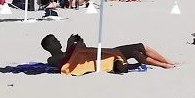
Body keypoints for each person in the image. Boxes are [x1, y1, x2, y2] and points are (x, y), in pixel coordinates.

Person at [42, 33, 176, 72]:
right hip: (103, 59)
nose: (58, 42)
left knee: (140, 46)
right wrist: (70, 45)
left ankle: (165, 61)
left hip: (102, 54)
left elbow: (85, 54)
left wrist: (77, 44)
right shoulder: (51, 59)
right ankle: (164, 65)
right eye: (54, 41)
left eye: (57, 39)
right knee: (135, 52)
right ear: (48, 47)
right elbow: (67, 64)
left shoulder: (67, 51)